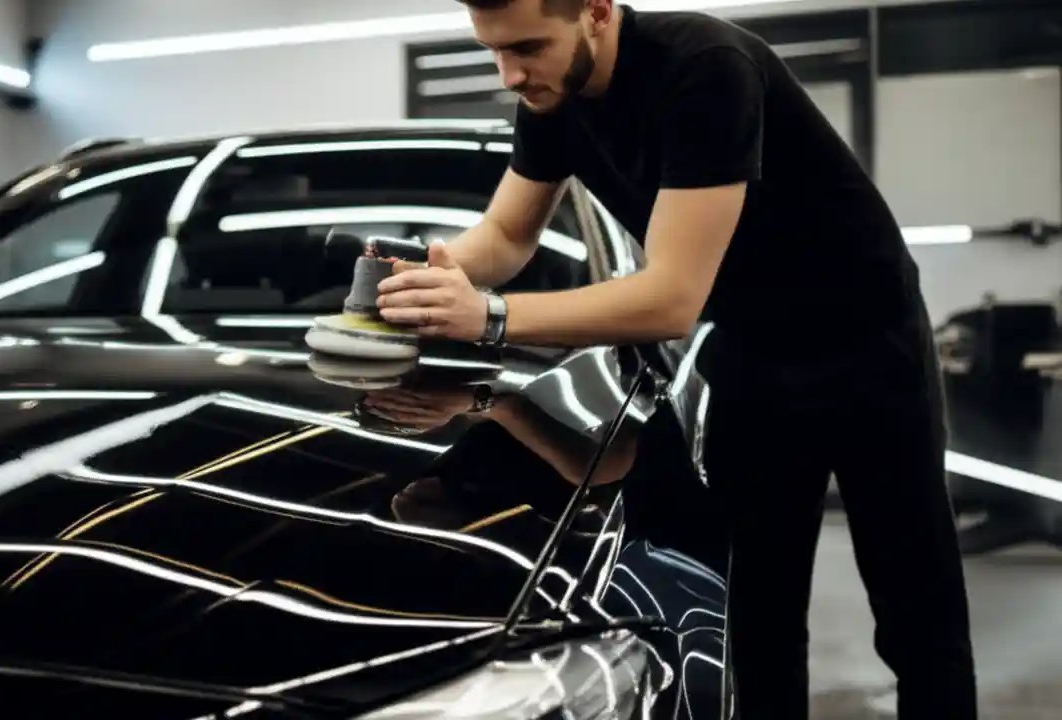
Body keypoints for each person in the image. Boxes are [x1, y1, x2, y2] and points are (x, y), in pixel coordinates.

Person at [374, 0, 978, 717]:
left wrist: (491, 317)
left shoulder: (704, 67)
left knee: (915, 609)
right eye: (493, 52)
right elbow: (507, 234)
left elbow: (668, 298)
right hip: (752, 344)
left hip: (867, 342)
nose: (510, 74)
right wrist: (434, 276)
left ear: (596, 11)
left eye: (527, 47)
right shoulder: (549, 91)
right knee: (756, 616)